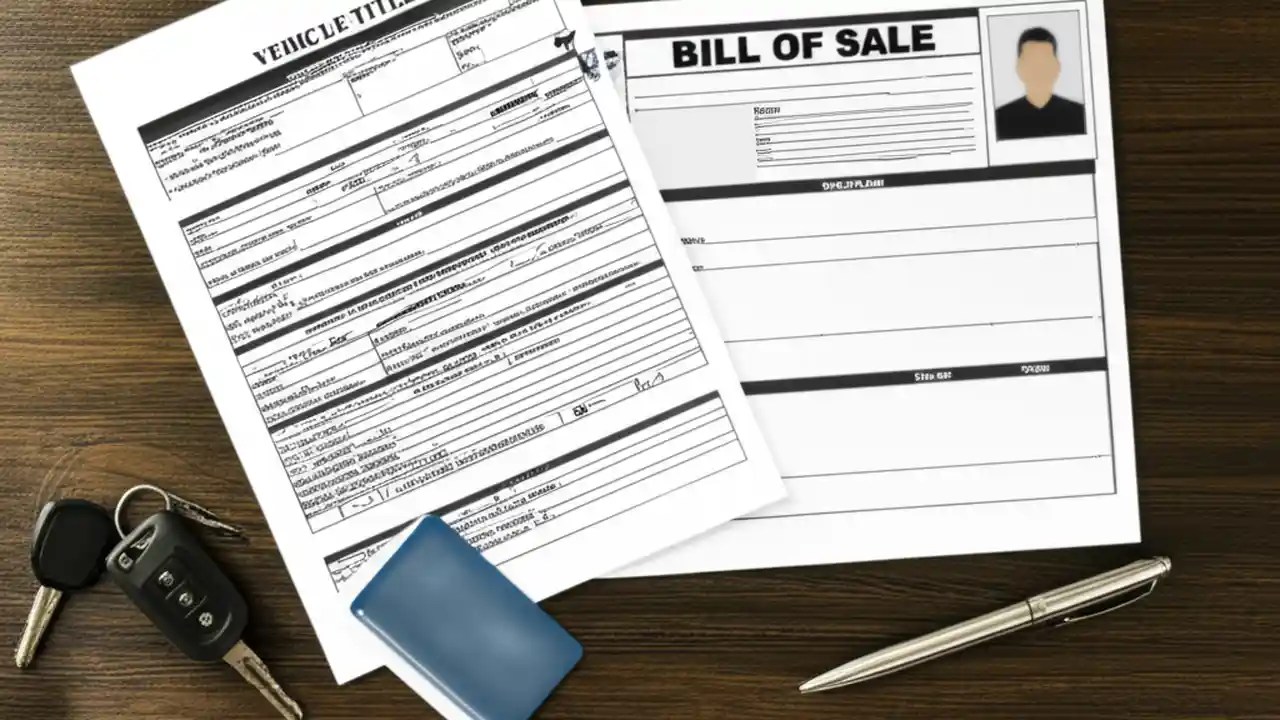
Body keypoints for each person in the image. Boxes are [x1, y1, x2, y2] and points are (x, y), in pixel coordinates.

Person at [995, 27, 1086, 140]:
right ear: (1019, 67)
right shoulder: (998, 119)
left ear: (1057, 66)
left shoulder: (1081, 116)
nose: (1038, 68)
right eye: (1032, 60)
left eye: (1044, 60)